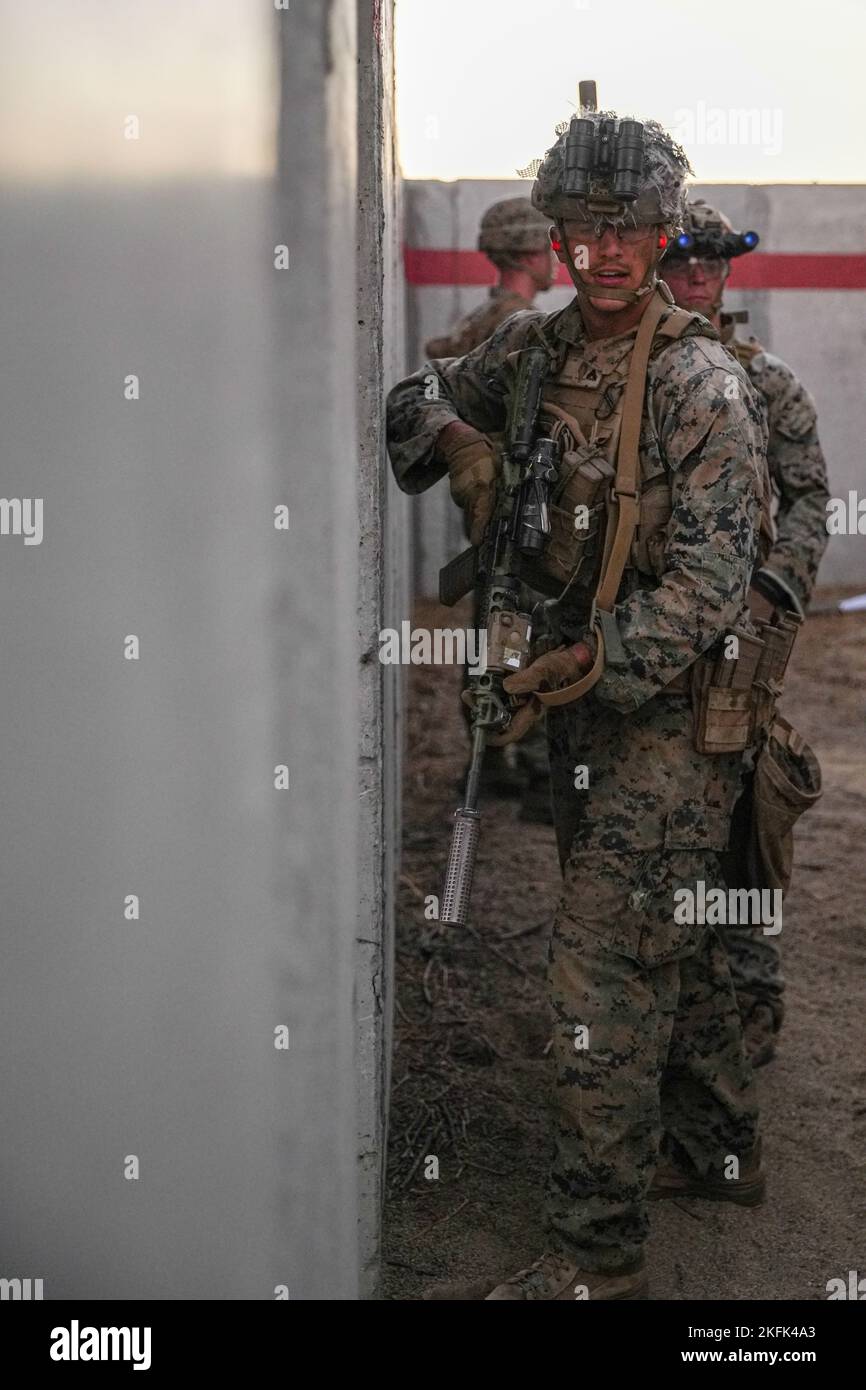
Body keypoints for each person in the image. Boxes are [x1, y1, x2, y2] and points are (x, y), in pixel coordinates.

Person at [388, 97, 773, 1300]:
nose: (603, 254)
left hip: (663, 721)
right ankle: (694, 1148)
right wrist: (460, 439)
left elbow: (713, 582)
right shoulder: (539, 348)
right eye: (583, 231)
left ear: (662, 235)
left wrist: (587, 664)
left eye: (629, 232)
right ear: (557, 236)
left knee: (598, 974)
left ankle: (596, 1261)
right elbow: (406, 397)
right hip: (576, 714)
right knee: (650, 951)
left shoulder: (702, 384)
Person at [662, 201, 830, 1065]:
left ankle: (750, 1003)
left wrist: (774, 590)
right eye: (686, 261)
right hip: (648, 649)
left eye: (714, 263)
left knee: (745, 822)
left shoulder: (767, 382)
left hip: (737, 652)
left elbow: (809, 500)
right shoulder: (631, 377)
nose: (700, 276)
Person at [426, 197, 558, 818]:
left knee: (495, 625)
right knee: (522, 632)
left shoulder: (481, 317)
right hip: (516, 504)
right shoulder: (521, 324)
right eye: (550, 245)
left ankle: (492, 756)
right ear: (532, 250)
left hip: (484, 501)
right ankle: (522, 762)